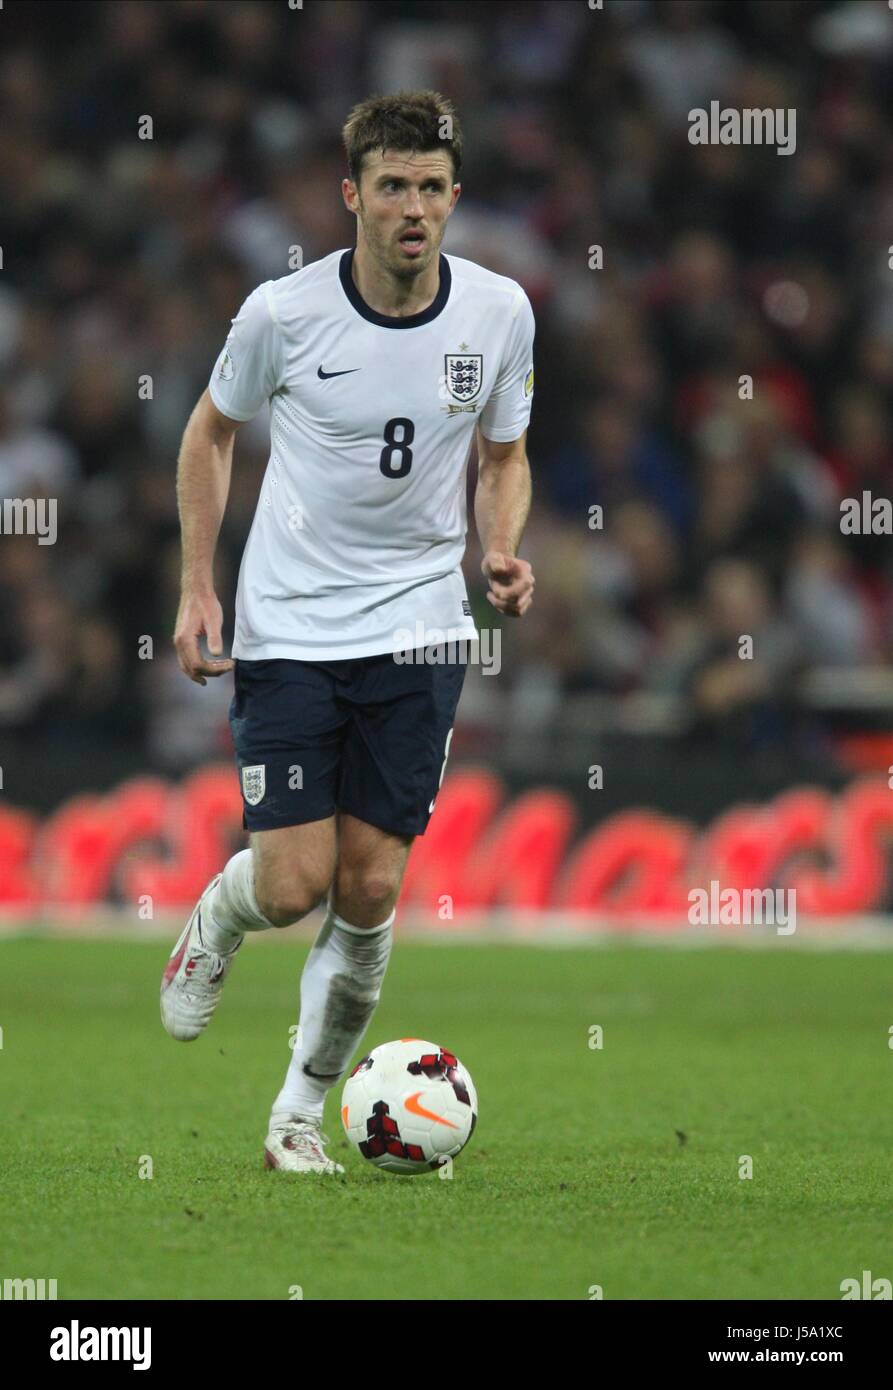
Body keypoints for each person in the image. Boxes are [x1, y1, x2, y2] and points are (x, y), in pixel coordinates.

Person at [159, 90, 536, 1174]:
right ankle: (216, 924)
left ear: (453, 197)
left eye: (429, 188)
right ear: (351, 198)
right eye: (390, 188)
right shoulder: (282, 313)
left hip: (419, 625)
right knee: (289, 887)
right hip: (290, 624)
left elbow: (503, 457)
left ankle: (294, 1116)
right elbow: (209, 435)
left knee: (369, 888)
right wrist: (198, 586)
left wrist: (497, 550)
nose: (411, 208)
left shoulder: (499, 313)